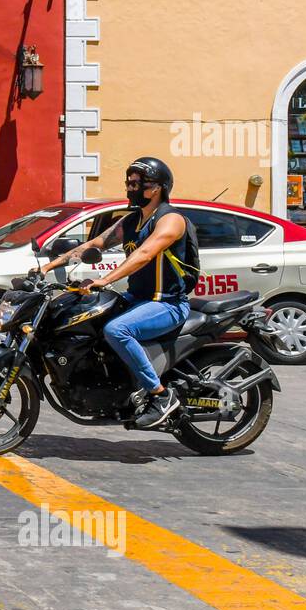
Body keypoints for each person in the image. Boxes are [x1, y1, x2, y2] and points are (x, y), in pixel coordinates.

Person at [39, 156, 199, 429]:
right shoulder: (131, 221)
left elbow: (145, 254)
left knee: (117, 330)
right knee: (89, 317)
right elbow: (97, 243)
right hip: (138, 299)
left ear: (157, 188)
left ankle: (160, 396)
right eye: (129, 182)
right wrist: (49, 265)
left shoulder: (171, 220)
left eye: (137, 183)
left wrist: (106, 279)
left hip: (168, 304)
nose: (131, 187)